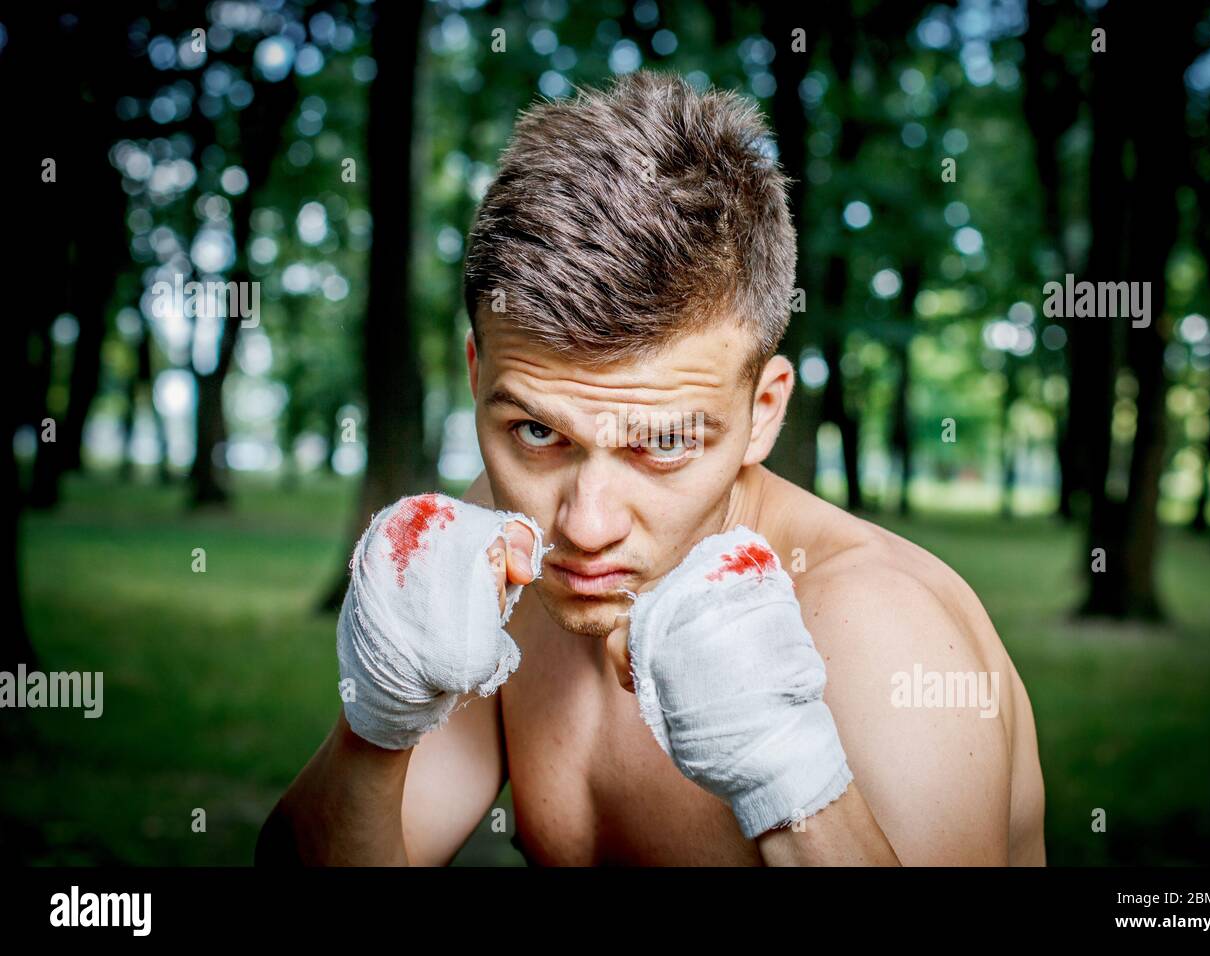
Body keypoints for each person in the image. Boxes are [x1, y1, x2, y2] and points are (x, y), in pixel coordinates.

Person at [256, 71, 1046, 867]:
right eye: (537, 431)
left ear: (763, 411)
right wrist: (377, 725)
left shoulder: (883, 636)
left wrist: (797, 788)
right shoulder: (509, 564)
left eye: (663, 443)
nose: (585, 526)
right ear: (475, 374)